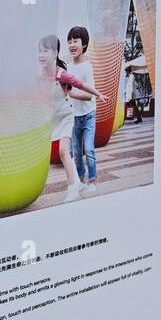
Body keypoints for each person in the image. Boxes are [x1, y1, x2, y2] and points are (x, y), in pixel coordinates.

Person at [38, 35, 106, 204]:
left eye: (45, 51)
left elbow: (79, 85)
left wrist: (97, 94)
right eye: (39, 51)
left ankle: (73, 189)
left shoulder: (61, 74)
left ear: (54, 53)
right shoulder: (40, 76)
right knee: (68, 153)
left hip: (68, 116)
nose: (41, 55)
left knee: (63, 151)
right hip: (53, 118)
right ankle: (77, 183)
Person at [65, 27, 97, 196]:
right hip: (73, 117)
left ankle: (92, 181)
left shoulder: (87, 67)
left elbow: (90, 95)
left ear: (83, 44)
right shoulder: (67, 69)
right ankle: (81, 181)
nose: (72, 44)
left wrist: (71, 93)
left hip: (89, 115)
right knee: (76, 153)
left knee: (89, 149)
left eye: (75, 41)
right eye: (69, 41)